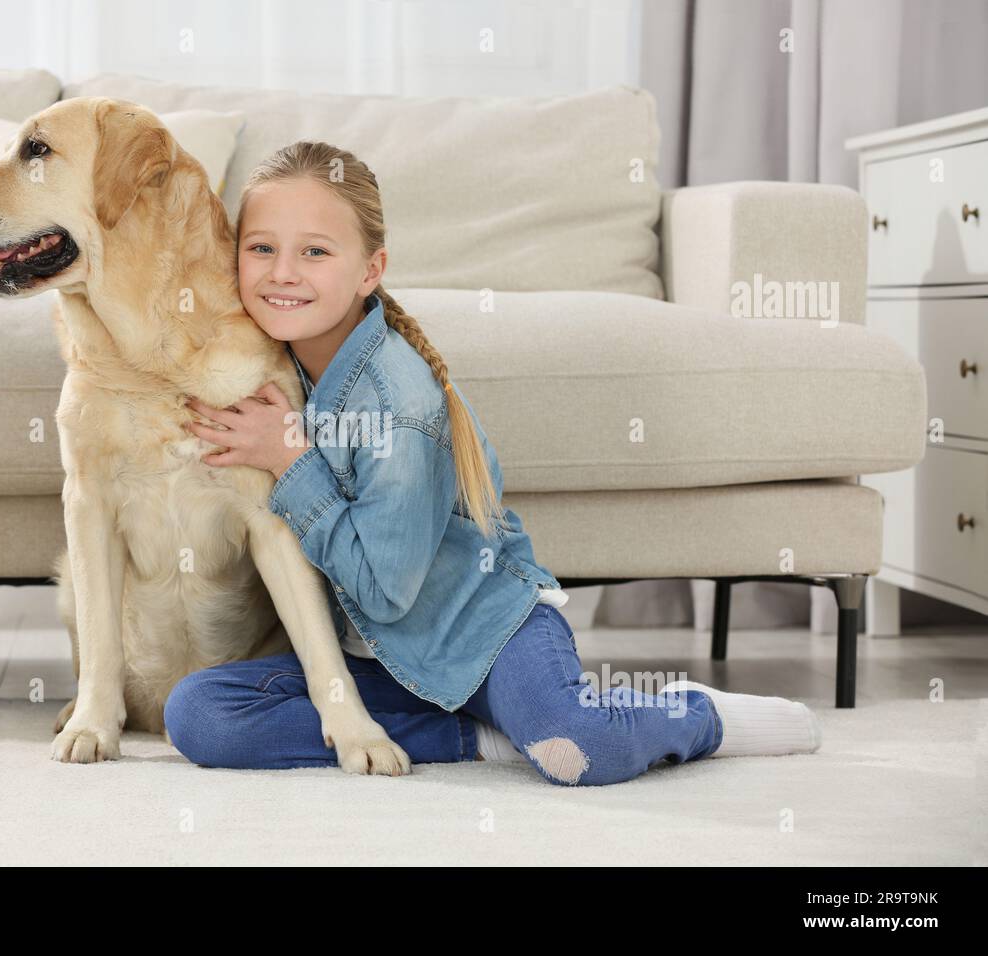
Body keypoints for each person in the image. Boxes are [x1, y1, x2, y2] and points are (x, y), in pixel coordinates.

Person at [163, 140, 822, 785]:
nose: (282, 272)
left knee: (578, 750)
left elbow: (384, 594)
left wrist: (291, 459)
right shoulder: (271, 371)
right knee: (201, 716)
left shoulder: (399, 403)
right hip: (378, 661)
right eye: (261, 248)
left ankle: (703, 717)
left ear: (370, 270)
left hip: (487, 638)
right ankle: (477, 740)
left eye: (314, 251)